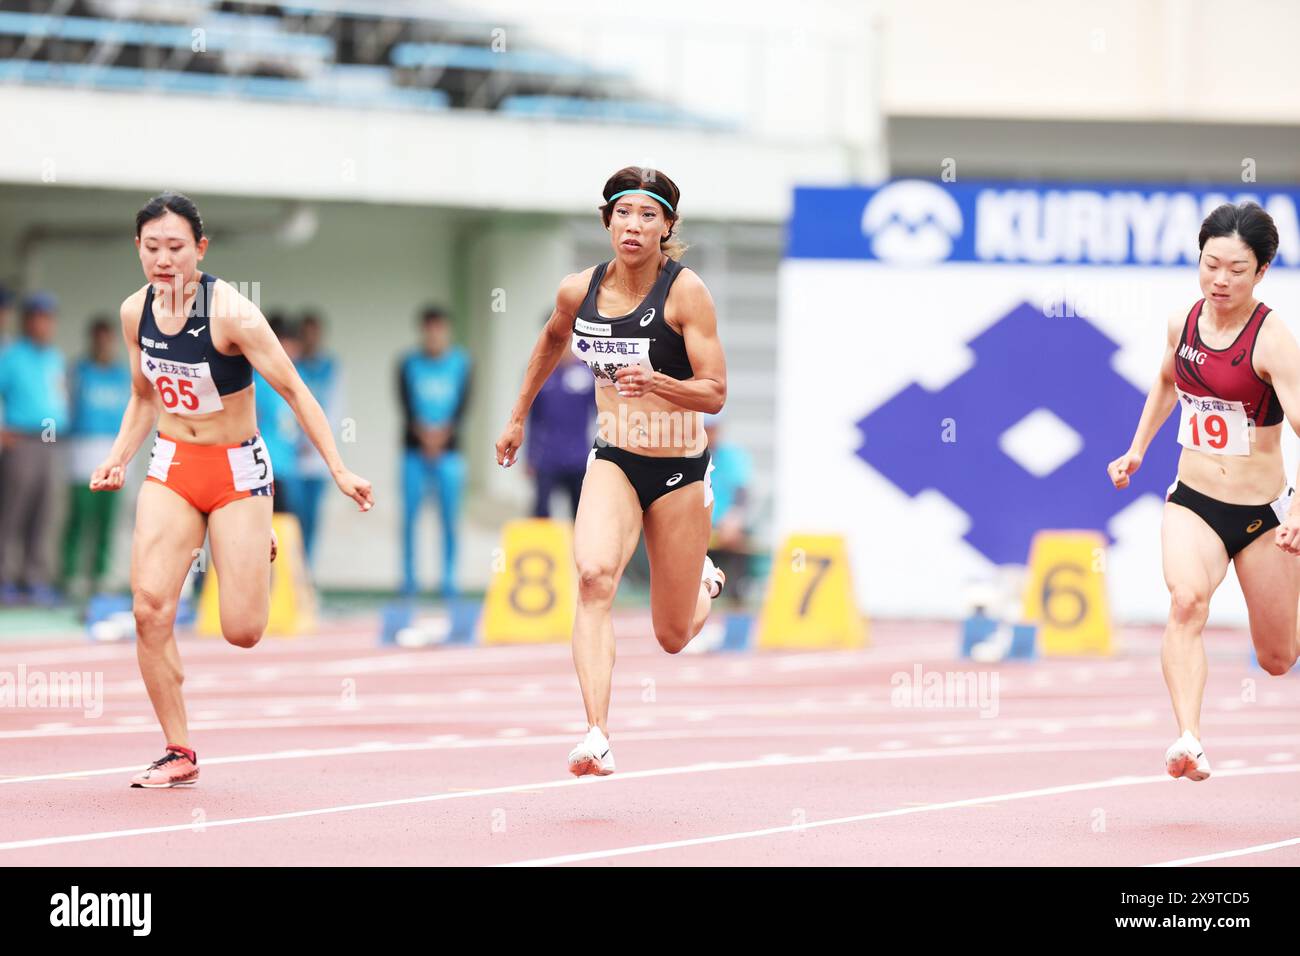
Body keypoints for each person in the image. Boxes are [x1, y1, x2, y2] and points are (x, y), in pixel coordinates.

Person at [92, 192, 373, 788]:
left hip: (237, 471)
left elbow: (296, 391)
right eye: (151, 248)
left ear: (200, 248)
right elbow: (144, 397)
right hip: (171, 465)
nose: (163, 260)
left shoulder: (232, 313)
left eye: (175, 247)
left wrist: (339, 469)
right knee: (149, 608)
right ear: (136, 249)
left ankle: (248, 531)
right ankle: (178, 749)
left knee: (242, 630)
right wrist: (118, 458)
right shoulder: (132, 313)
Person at [494, 166, 728, 776]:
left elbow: (715, 392)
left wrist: (660, 382)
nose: (634, 226)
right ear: (607, 221)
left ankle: (703, 581)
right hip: (615, 457)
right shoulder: (580, 290)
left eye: (649, 216)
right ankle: (597, 732)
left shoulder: (685, 293)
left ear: (667, 226)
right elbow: (549, 341)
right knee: (594, 577)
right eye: (624, 213)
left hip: (678, 468)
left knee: (672, 635)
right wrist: (518, 415)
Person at [1108, 201, 1300, 783]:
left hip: (1263, 516)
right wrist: (1139, 447)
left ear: (1261, 271)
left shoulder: (1273, 342)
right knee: (1187, 601)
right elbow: (1168, 381)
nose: (1220, 279)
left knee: (1277, 658)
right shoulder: (1183, 324)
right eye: (1211, 264)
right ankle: (1188, 738)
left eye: (1236, 269)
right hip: (1192, 499)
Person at [0, 292, 68, 606]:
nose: (44, 324)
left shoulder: (55, 357)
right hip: (23, 438)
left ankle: (36, 579)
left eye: (49, 318)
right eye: (38, 317)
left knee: (46, 512)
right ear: (28, 321)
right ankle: (6, 578)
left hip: (52, 441)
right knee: (15, 510)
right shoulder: (11, 356)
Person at [397, 306, 471, 598]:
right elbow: (404, 403)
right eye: (429, 328)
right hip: (414, 452)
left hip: (450, 453)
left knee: (450, 517)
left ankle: (449, 579)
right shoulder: (407, 364)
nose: (434, 335)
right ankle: (409, 579)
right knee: (410, 517)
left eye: (439, 328)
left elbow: (464, 404)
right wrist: (424, 436)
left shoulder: (462, 363)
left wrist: (442, 436)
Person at [61, 316, 132, 597]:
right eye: (98, 338)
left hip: (112, 451)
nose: (103, 344)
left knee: (107, 517)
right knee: (80, 514)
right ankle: (71, 575)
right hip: (82, 451)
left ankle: (100, 576)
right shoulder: (78, 371)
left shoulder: (122, 375)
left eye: (108, 339)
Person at [527, 329, 596, 519]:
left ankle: (578, 549)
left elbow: (603, 415)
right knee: (540, 513)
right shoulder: (540, 374)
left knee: (582, 516)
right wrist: (529, 456)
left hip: (578, 458)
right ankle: (540, 549)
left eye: (567, 342)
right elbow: (532, 418)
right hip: (546, 458)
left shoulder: (588, 375)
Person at [294, 311, 341, 567]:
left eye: (315, 334)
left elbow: (335, 409)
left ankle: (306, 576)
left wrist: (316, 440)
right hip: (293, 459)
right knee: (292, 521)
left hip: (318, 460)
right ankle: (287, 579)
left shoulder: (332, 368)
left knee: (312, 523)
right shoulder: (291, 365)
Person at [702, 412, 753, 606]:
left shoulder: (733, 456)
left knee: (738, 540)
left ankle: (736, 594)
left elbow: (742, 493)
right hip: (696, 526)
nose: (709, 433)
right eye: (705, 428)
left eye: (713, 428)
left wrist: (734, 518)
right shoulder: (685, 455)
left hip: (724, 527)